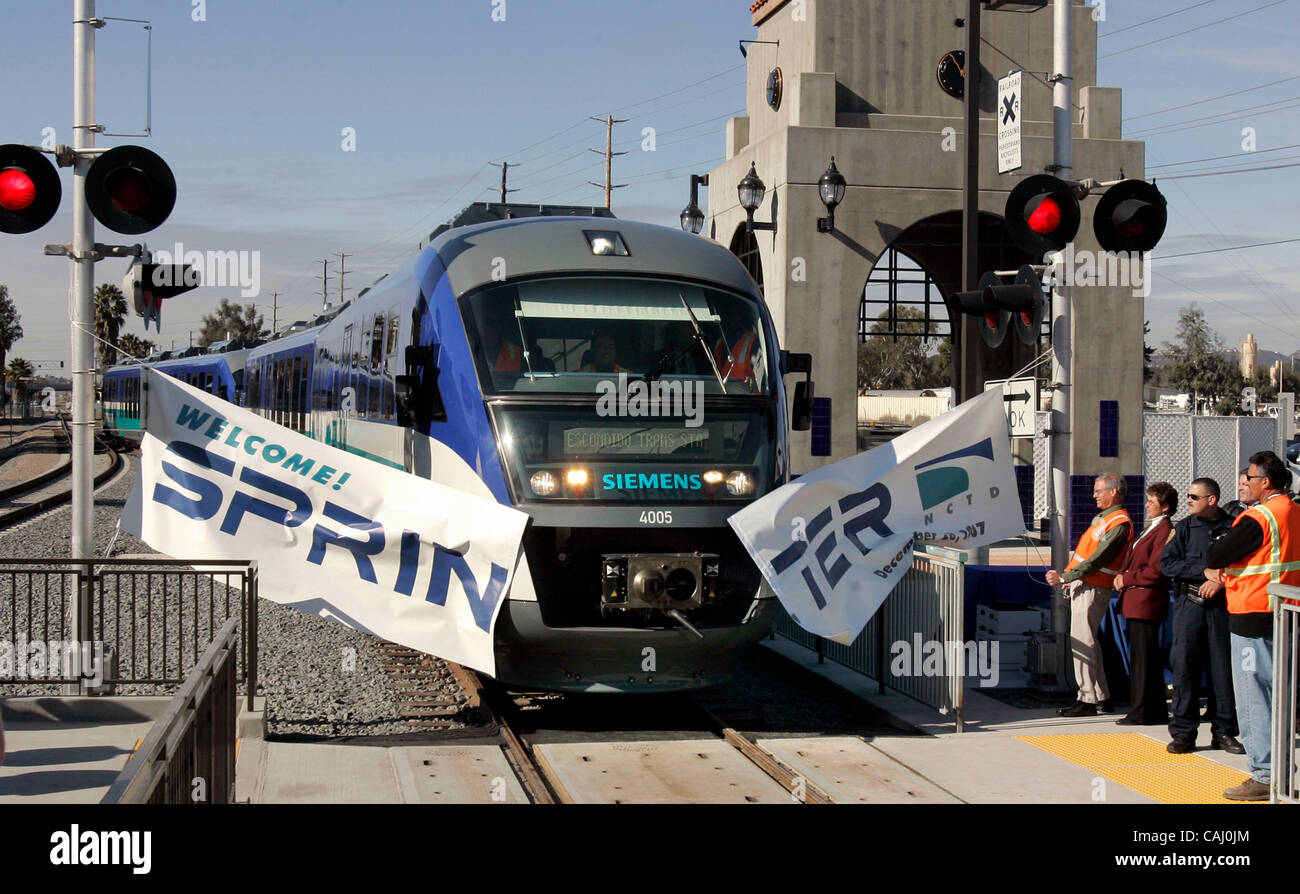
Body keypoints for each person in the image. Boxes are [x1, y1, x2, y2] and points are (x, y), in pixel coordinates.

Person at [1206, 450, 1300, 800]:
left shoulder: (1259, 517)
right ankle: (1280, 770)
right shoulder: (1294, 512)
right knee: (1279, 698)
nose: (1247, 481)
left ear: (1267, 482)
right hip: (1286, 612)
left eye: (1251, 476)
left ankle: (1263, 774)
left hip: (1252, 612)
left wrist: (1217, 560)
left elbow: (1216, 555)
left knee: (1253, 697)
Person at [1160, 477, 1242, 754]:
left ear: (1212, 500)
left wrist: (1219, 579)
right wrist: (1202, 572)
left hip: (1221, 607)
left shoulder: (1233, 527)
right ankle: (1184, 733)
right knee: (1185, 670)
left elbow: (1244, 563)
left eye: (1194, 497)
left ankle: (1225, 732)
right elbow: (1167, 564)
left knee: (1223, 672)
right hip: (1189, 606)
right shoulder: (1183, 528)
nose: (1189, 501)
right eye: (1189, 496)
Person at [1046, 472, 1134, 717]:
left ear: (1114, 492)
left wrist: (1065, 577)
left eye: (1099, 491)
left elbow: (1098, 559)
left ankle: (1087, 698)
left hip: (1093, 587)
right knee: (1088, 644)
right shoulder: (1105, 519)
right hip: (1085, 585)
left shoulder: (1118, 523)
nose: (1094, 495)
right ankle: (1100, 696)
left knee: (1083, 643)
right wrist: (1069, 578)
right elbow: (1086, 556)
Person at [1112, 482, 1177, 726]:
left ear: (1165, 507)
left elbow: (1156, 570)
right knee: (1141, 657)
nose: (1147, 505)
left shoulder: (1164, 531)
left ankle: (1144, 710)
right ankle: (1149, 707)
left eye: (1152, 502)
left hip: (1146, 601)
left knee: (1145, 658)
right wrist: (1122, 573)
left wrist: (1127, 578)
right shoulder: (1151, 529)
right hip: (1135, 600)